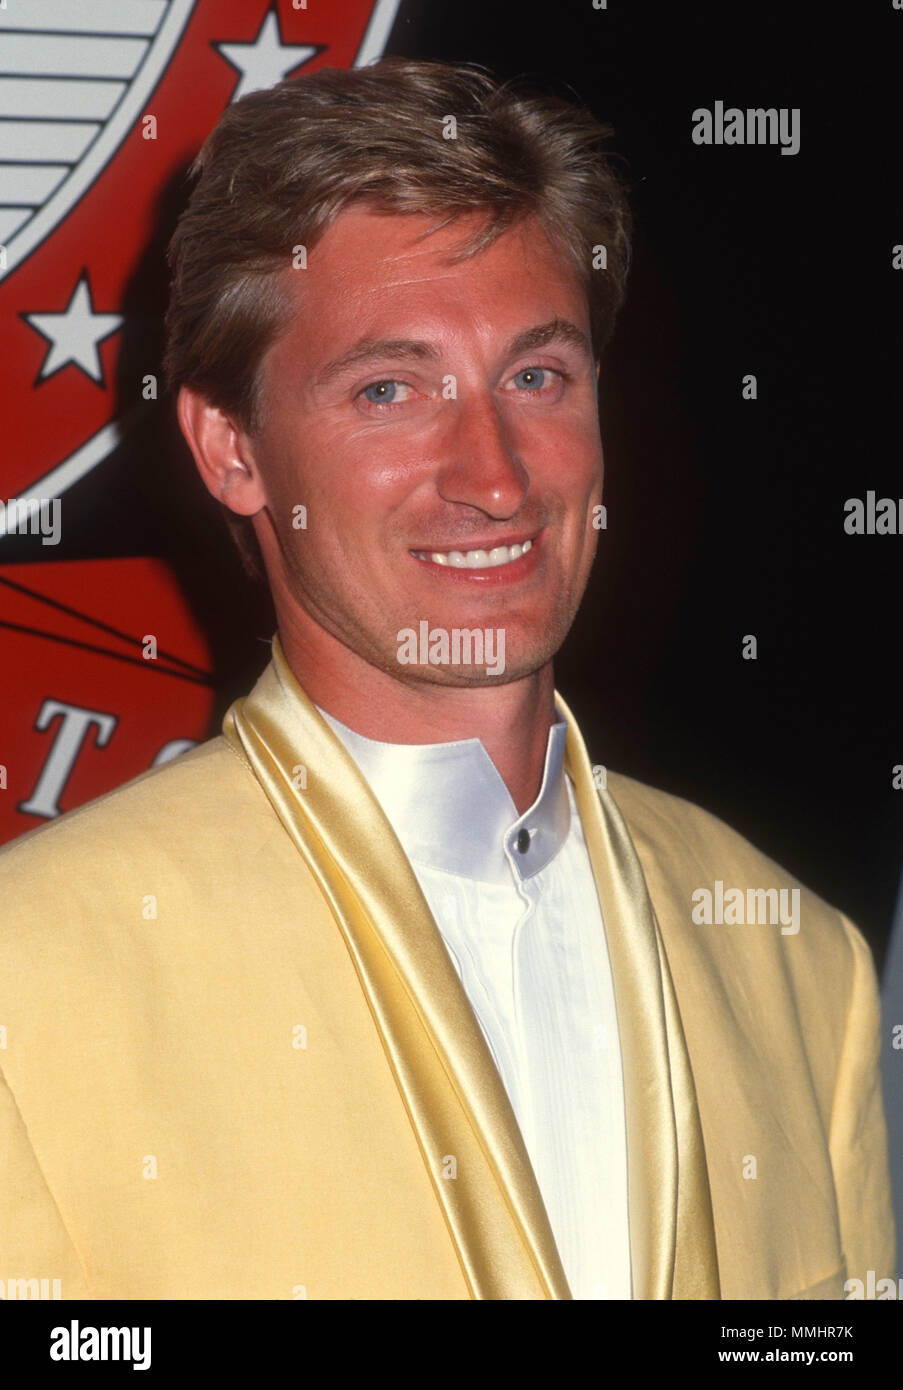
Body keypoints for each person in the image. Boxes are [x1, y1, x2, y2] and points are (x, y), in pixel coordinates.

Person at [0, 58, 893, 1301]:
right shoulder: (28, 979)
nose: (493, 474)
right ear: (231, 449)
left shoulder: (805, 968)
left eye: (536, 376)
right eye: (389, 388)